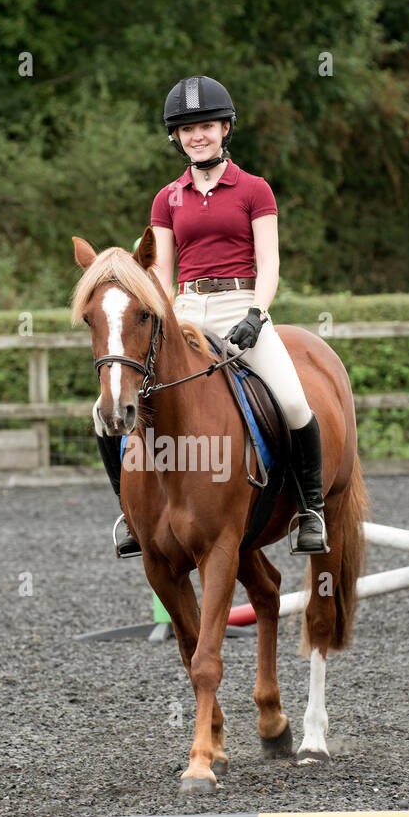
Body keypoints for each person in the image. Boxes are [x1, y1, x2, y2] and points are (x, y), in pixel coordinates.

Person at [97, 74, 329, 558]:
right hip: (184, 313)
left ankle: (311, 510)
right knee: (105, 415)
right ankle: (130, 511)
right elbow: (160, 271)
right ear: (176, 138)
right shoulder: (167, 198)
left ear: (225, 128)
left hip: (240, 305)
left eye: (206, 126)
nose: (196, 135)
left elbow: (270, 263)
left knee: (292, 403)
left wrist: (257, 312)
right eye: (187, 129)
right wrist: (158, 315)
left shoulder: (255, 190)